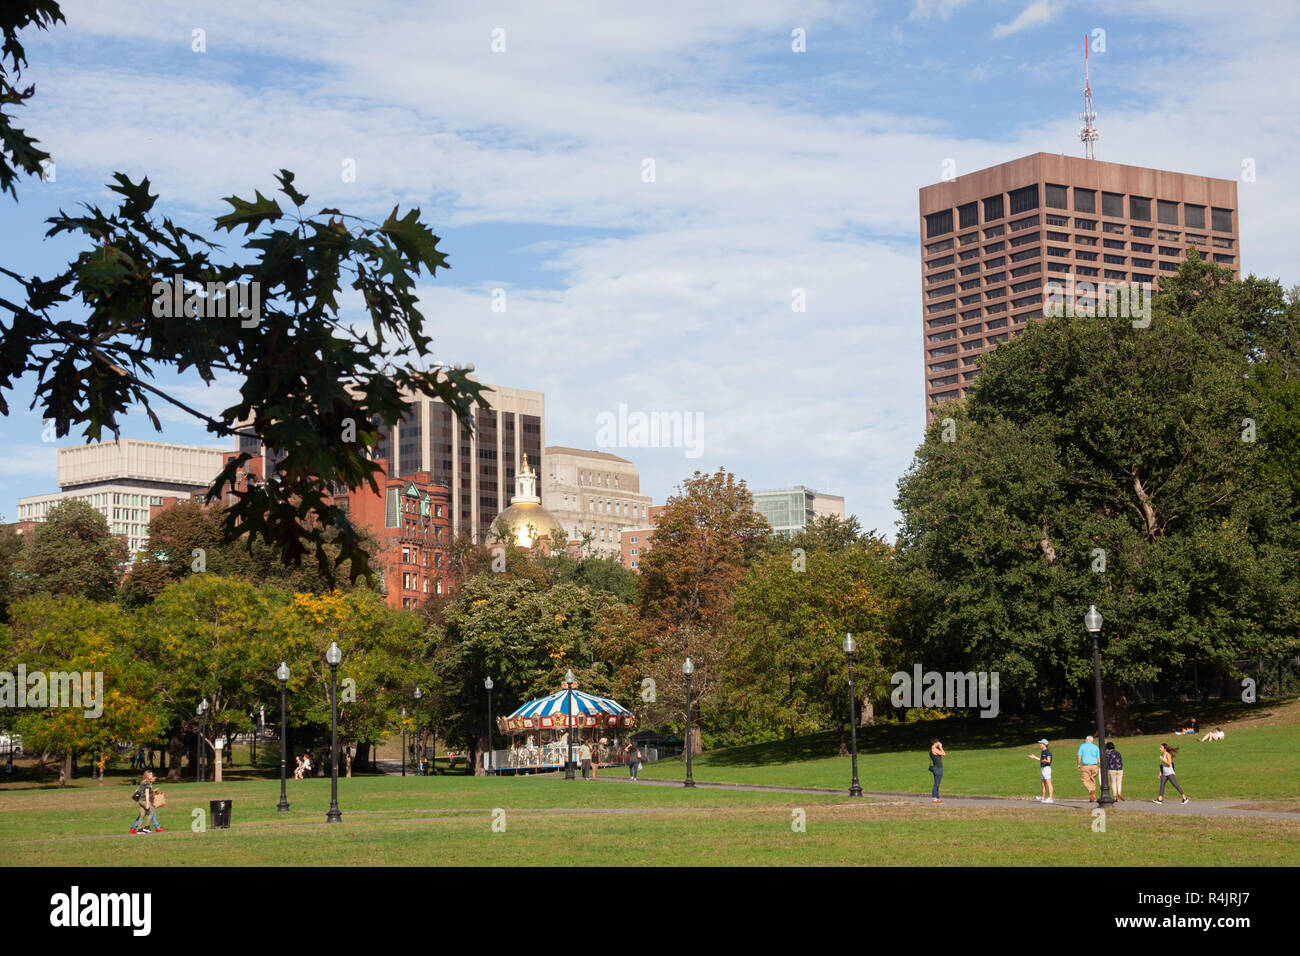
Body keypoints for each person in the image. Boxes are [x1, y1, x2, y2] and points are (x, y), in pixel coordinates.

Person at [1077, 735, 1101, 801]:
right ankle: (1093, 796)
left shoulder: (1082, 746)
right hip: (1095, 765)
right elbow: (1098, 757)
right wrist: (1100, 764)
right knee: (1092, 780)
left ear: (1086, 740)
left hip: (1086, 766)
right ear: (1092, 740)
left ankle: (1091, 791)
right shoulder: (1096, 747)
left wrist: (1078, 764)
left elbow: (1079, 756)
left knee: (1084, 780)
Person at [928, 738, 945, 804]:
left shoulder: (933, 749)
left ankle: (937, 798)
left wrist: (939, 748)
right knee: (936, 784)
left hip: (936, 768)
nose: (939, 743)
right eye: (938, 742)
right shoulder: (934, 749)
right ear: (935, 743)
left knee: (937, 784)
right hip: (938, 769)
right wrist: (940, 747)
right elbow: (944, 754)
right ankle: (934, 799)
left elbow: (941, 755)